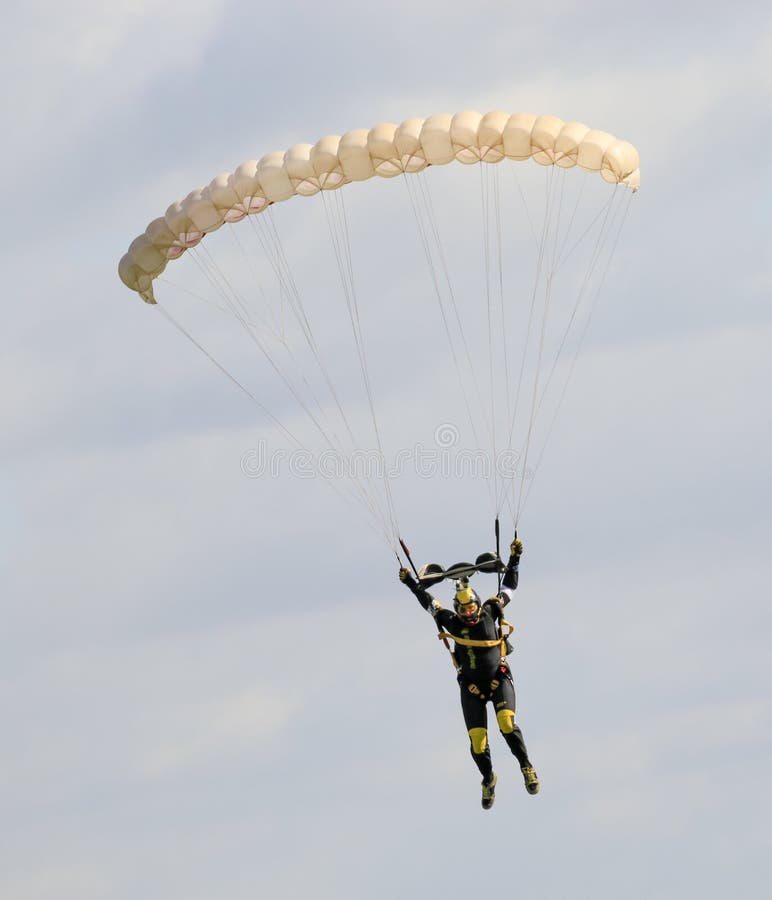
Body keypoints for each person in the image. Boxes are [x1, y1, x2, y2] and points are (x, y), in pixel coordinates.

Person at [399, 538, 539, 809]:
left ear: (476, 604)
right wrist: (410, 583)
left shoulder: (490, 611)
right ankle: (488, 779)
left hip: (498, 678)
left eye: (471, 607)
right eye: (464, 609)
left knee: (507, 723)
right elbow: (427, 601)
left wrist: (515, 558)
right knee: (478, 741)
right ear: (458, 609)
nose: (469, 613)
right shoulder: (449, 620)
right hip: (471, 687)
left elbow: (509, 587)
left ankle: (526, 767)